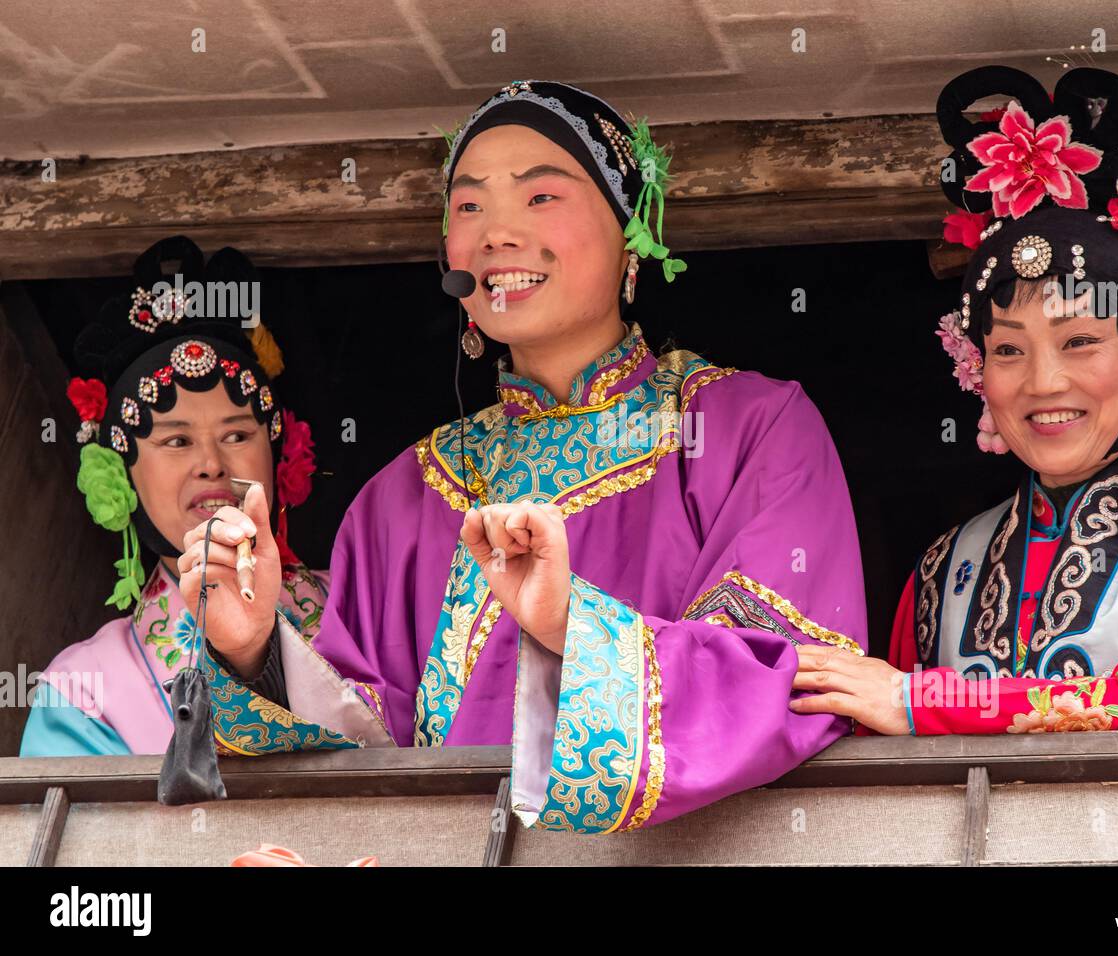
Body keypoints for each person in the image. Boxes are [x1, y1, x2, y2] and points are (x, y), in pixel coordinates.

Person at [180, 80, 868, 832]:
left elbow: (787, 683)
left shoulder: (749, 429)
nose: (497, 234)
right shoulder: (402, 494)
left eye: (541, 197)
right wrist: (255, 654)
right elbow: (361, 760)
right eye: (469, 206)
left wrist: (573, 623)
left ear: (631, 232)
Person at [791, 66, 1118, 735]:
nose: (1043, 383)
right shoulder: (943, 568)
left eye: (1079, 341)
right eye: (1010, 350)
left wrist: (924, 703)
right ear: (974, 368)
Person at [20, 237, 328, 756]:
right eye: (177, 440)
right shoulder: (81, 694)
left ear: (283, 457)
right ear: (118, 479)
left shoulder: (366, 606)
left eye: (236, 435)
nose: (211, 463)